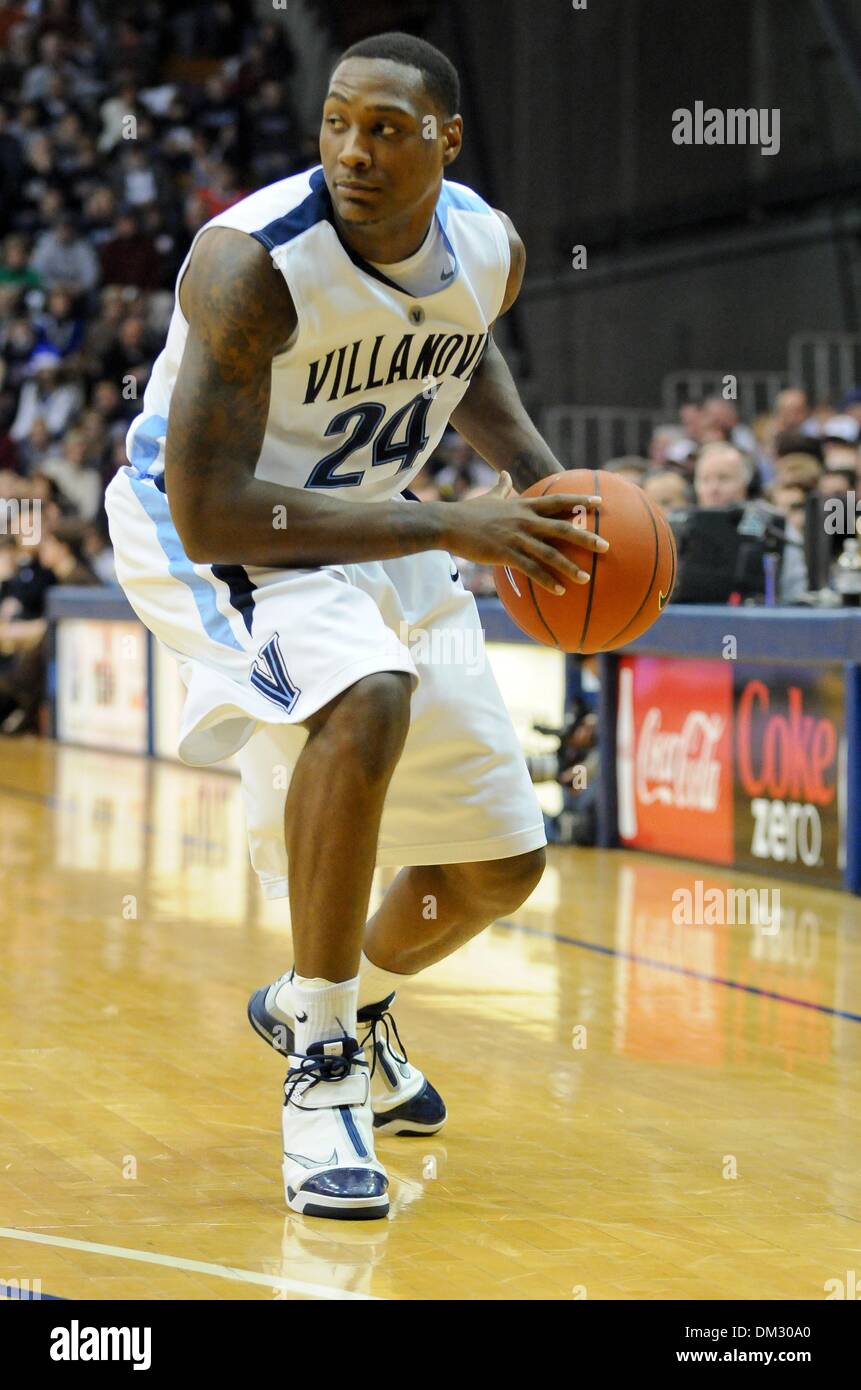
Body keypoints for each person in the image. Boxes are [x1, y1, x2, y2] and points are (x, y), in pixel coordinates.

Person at [105, 31, 607, 1222]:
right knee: (366, 694)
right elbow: (214, 504)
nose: (353, 151)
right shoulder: (250, 266)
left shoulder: (489, 244)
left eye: (386, 128)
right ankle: (323, 1064)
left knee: (497, 866)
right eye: (337, 122)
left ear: (447, 139)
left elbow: (457, 341)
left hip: (368, 522)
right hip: (222, 530)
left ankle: (334, 997)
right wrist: (447, 521)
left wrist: (536, 482)